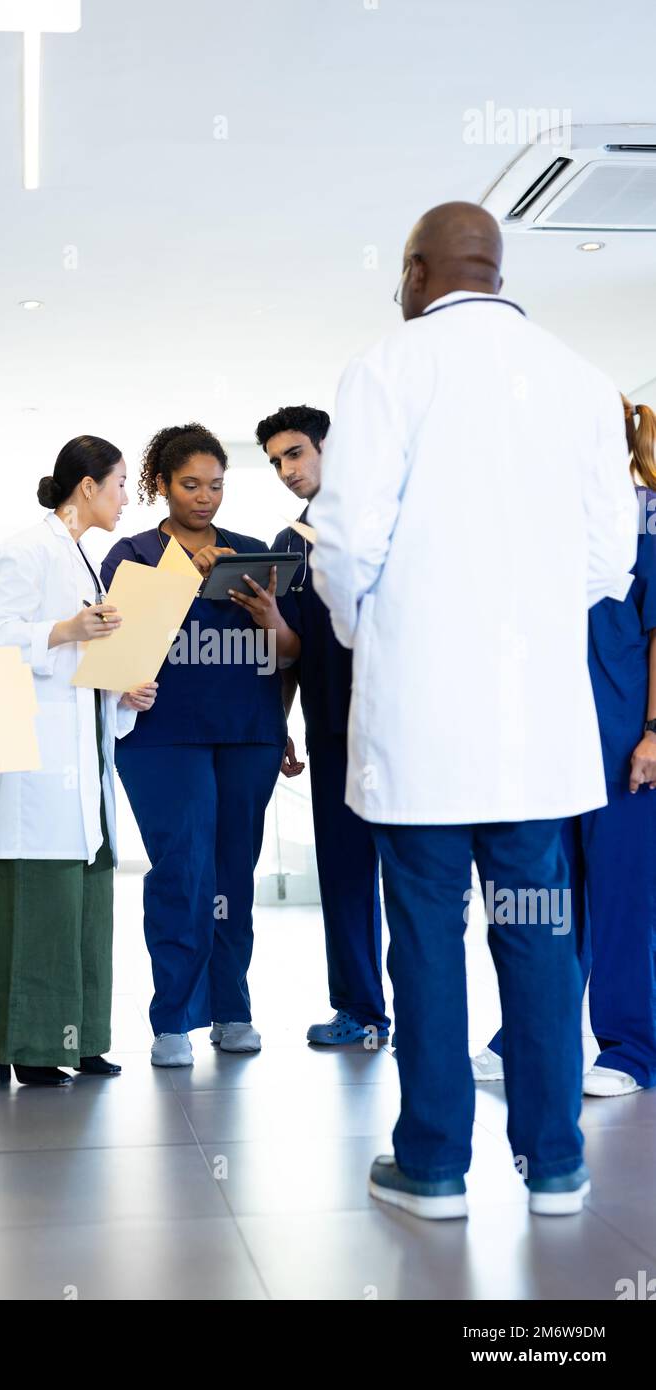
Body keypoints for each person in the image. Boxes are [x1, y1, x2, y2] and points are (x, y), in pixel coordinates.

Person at [310, 202, 637, 1220]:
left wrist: (381, 637)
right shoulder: (583, 382)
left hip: (422, 724)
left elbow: (346, 543)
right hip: (536, 725)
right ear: (495, 271)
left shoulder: (386, 367)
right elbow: (608, 562)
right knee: (539, 934)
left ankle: (436, 1164)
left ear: (416, 270)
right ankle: (556, 1165)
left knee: (424, 934)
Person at [473, 396, 656, 1099]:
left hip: (621, 745)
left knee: (620, 899)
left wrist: (650, 733)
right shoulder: (539, 525)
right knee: (544, 895)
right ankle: (525, 1030)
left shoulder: (644, 515)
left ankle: (630, 1048)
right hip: (548, 740)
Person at [101, 423, 293, 1067]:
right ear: (161, 485)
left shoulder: (253, 551)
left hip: (248, 733)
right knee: (184, 869)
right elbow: (116, 648)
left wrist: (268, 618)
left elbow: (281, 652)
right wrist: (182, 577)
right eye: (190, 485)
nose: (206, 498)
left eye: (216, 485)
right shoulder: (130, 553)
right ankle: (173, 1019)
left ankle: (232, 1009)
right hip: (163, 739)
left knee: (233, 872)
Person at [0, 437, 158, 1086]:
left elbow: (83, 666)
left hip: (87, 762)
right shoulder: (25, 549)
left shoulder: (85, 562)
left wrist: (122, 689)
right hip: (42, 767)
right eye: (117, 487)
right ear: (86, 487)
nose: (124, 501)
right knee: (43, 907)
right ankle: (29, 1047)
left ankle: (81, 1040)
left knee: (88, 903)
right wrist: (67, 631)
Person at [237, 403, 389, 1047]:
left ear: (331, 446)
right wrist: (282, 723)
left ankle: (432, 1014)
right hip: (333, 728)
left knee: (419, 876)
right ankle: (360, 1009)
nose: (285, 470)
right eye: (275, 461)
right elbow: (294, 647)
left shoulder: (390, 518)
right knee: (346, 870)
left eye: (294, 453)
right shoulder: (291, 543)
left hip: (404, 726)